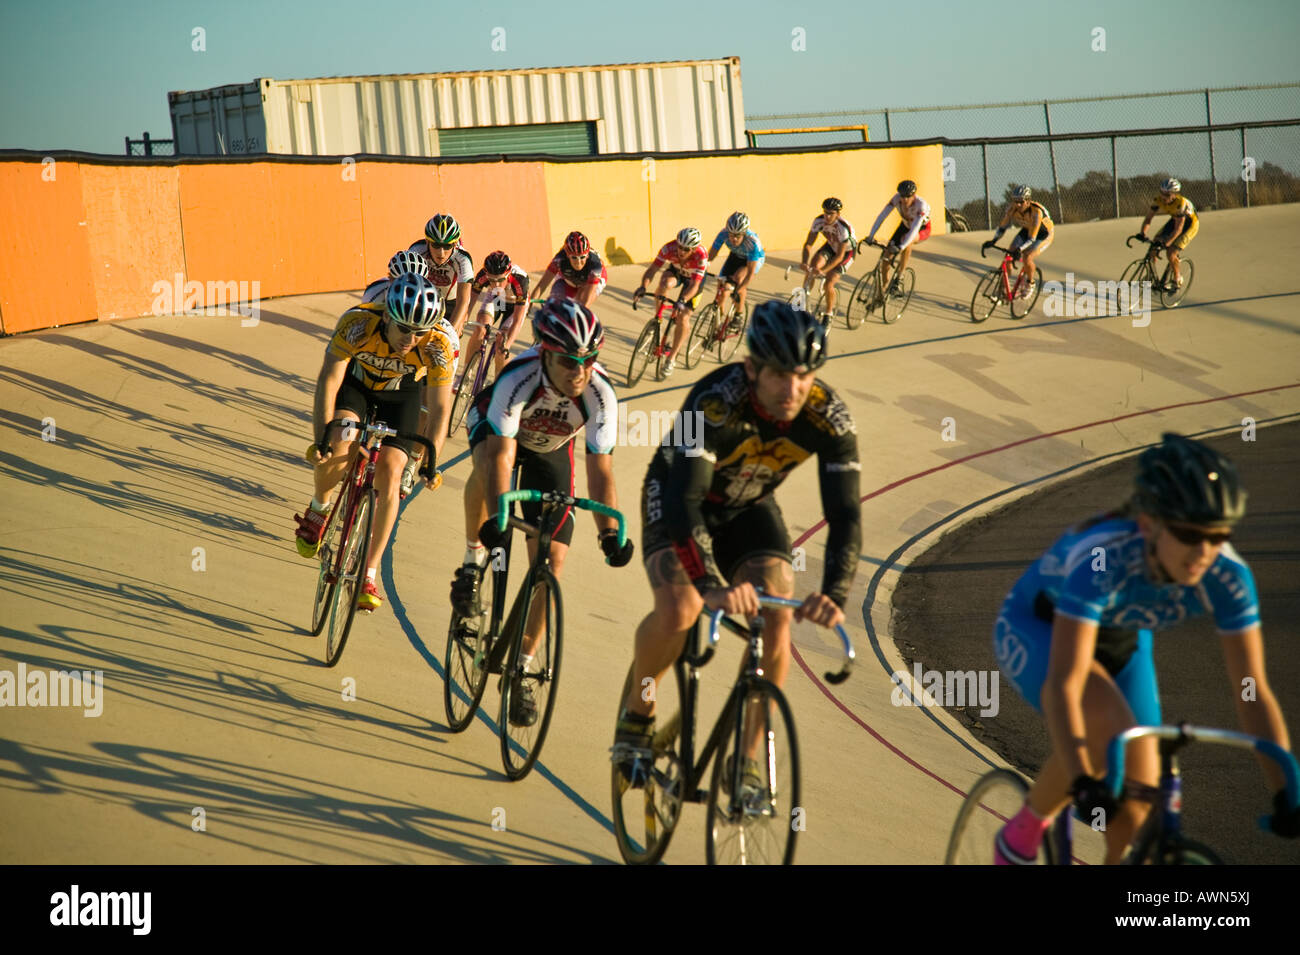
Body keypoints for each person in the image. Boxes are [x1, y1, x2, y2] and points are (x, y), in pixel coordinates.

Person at [991, 433, 1299, 864]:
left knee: (1142, 794)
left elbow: (1251, 690)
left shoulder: (1228, 576)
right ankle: (1020, 835)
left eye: (1218, 535)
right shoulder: (1101, 558)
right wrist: (1083, 779)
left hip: (1122, 640)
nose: (1204, 551)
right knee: (1107, 734)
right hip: (1040, 626)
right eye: (1190, 534)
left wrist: (1286, 788)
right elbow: (1065, 685)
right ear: (1149, 524)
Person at [612, 301, 861, 790]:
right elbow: (685, 499)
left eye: (805, 377)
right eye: (780, 376)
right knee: (680, 611)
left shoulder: (829, 417)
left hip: (748, 506)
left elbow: (845, 515)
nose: (793, 390)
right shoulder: (712, 401)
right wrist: (708, 585)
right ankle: (636, 717)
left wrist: (835, 593)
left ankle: (747, 758)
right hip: (679, 496)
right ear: (752, 368)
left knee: (777, 610)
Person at [450, 299, 635, 725]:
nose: (580, 371)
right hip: (499, 435)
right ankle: (471, 560)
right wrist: (497, 519)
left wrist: (610, 533)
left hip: (550, 450)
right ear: (547, 354)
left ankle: (524, 668)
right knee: (483, 468)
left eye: (589, 360)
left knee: (550, 565)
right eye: (570, 361)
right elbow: (499, 458)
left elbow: (600, 472)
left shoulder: (600, 394)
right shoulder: (519, 377)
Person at [294, 273, 455, 612]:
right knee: (340, 444)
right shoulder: (357, 323)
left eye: (420, 331)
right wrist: (321, 437)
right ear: (386, 316)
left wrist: (430, 460)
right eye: (405, 330)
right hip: (357, 387)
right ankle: (321, 507)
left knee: (392, 473)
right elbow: (330, 377)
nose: (411, 339)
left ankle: (369, 571)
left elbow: (440, 409)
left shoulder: (436, 345)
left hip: (402, 396)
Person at [363, 250, 461, 497]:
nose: (404, 288)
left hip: (426, 358)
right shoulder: (375, 293)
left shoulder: (435, 316)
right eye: (396, 282)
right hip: (388, 350)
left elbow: (440, 407)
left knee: (425, 408)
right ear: (388, 280)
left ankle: (411, 461)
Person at [630, 227, 708, 377]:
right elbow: (652, 269)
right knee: (664, 283)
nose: (681, 251)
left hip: (693, 282)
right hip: (677, 272)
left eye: (686, 249)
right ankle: (657, 318)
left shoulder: (701, 256)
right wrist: (643, 286)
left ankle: (671, 358)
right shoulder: (668, 248)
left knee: (683, 317)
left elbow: (694, 286)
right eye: (679, 246)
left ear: (693, 249)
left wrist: (682, 300)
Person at [465, 250, 531, 378]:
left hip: (515, 306)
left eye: (500, 280)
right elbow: (469, 302)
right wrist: (463, 321)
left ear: (508, 273)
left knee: (502, 344)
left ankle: (498, 382)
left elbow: (517, 320)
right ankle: (466, 373)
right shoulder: (483, 275)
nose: (496, 284)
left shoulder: (520, 280)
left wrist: (507, 346)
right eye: (491, 280)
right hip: (498, 298)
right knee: (480, 327)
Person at [981, 186, 1052, 298]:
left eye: (1021, 202)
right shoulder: (1011, 209)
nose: (1018, 205)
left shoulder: (1036, 212)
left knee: (1027, 257)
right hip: (1027, 230)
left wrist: (1020, 250)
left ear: (1028, 201)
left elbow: (1032, 239)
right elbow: (1002, 227)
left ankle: (1030, 283)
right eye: (1015, 201)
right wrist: (993, 241)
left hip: (1043, 235)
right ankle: (1002, 291)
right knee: (1008, 256)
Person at [863, 180, 931, 296]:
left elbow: (914, 228)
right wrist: (871, 235)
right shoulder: (897, 198)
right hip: (904, 225)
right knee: (886, 257)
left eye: (908, 197)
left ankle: (900, 277)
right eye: (902, 196)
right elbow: (882, 216)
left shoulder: (921, 206)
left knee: (907, 240)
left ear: (914, 195)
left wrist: (901, 247)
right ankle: (884, 286)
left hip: (920, 229)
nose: (904, 200)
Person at [410, 213, 475, 334]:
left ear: (455, 244)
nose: (441, 252)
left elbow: (463, 301)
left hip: (451, 304)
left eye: (447, 246)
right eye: (436, 245)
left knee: (450, 339)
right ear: (427, 242)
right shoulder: (416, 250)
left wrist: (450, 333)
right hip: (424, 298)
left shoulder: (463, 259)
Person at [800, 198, 857, 325]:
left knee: (829, 283)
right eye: (825, 212)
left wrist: (823, 271)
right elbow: (808, 244)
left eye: (831, 213)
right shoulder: (818, 221)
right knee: (812, 269)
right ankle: (804, 301)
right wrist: (805, 262)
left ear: (838, 214)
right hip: (831, 246)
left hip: (846, 253)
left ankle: (828, 313)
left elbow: (839, 257)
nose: (827, 215)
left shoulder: (843, 228)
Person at [1134, 178, 1198, 290]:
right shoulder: (1158, 200)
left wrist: (1167, 244)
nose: (1164, 197)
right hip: (1174, 221)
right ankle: (1151, 275)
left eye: (1167, 195)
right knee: (1154, 244)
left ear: (1174, 194)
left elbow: (1178, 230)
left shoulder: (1180, 204)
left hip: (1189, 225)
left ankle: (1177, 278)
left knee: (1171, 252)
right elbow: (1148, 218)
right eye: (1162, 193)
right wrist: (1143, 233)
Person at [705, 211, 765, 318]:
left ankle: (738, 315)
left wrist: (739, 290)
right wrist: (705, 265)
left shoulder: (752, 243)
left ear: (744, 233)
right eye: (731, 235)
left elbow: (750, 274)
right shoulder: (723, 234)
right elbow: (712, 254)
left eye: (738, 235)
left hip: (752, 259)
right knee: (721, 284)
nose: (734, 239)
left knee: (739, 279)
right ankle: (718, 317)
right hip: (735, 255)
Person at [532, 231, 608, 308]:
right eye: (574, 257)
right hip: (568, 280)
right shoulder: (559, 259)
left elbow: (586, 300)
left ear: (587, 255)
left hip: (590, 281)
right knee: (556, 301)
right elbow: (542, 285)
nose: (578, 262)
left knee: (579, 304)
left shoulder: (595, 265)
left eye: (582, 257)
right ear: (568, 255)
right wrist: (531, 303)